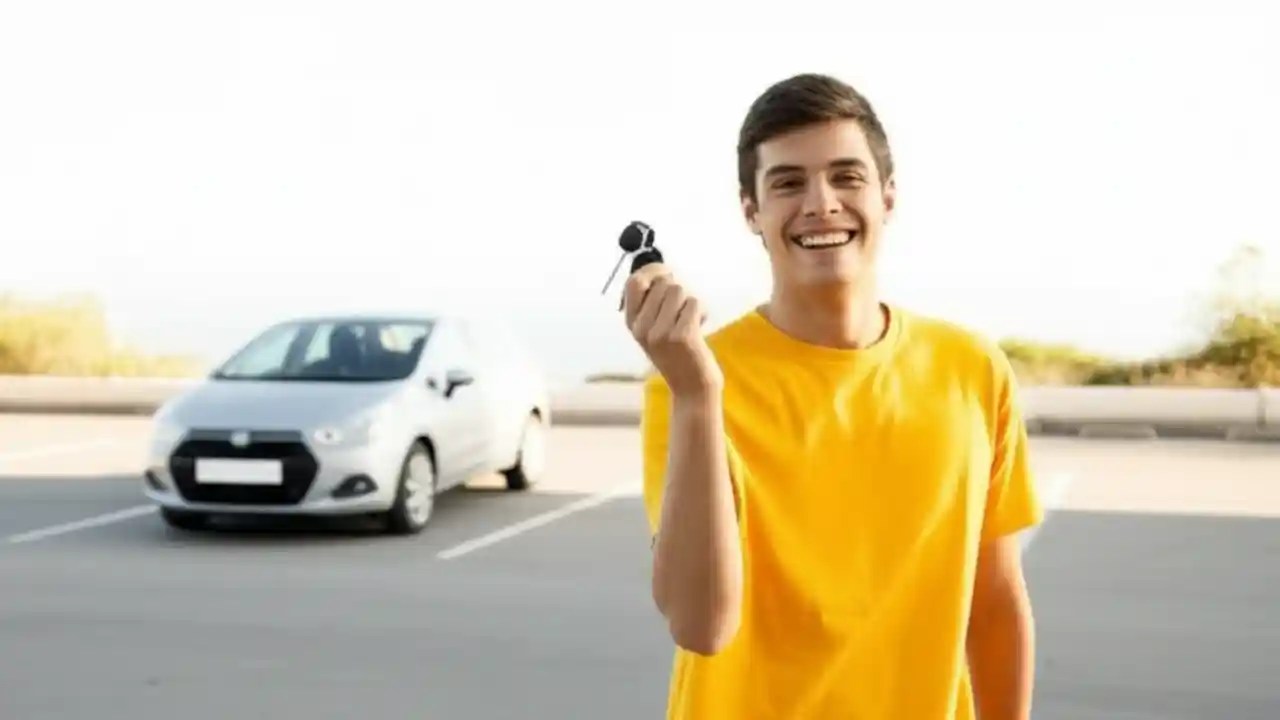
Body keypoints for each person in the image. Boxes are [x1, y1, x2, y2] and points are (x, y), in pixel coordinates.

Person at [623, 73, 1044, 720]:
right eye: (788, 182)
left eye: (847, 177)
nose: (821, 203)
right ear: (751, 211)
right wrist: (698, 393)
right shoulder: (688, 384)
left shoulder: (971, 367)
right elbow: (701, 626)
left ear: (888, 197)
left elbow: (994, 600)